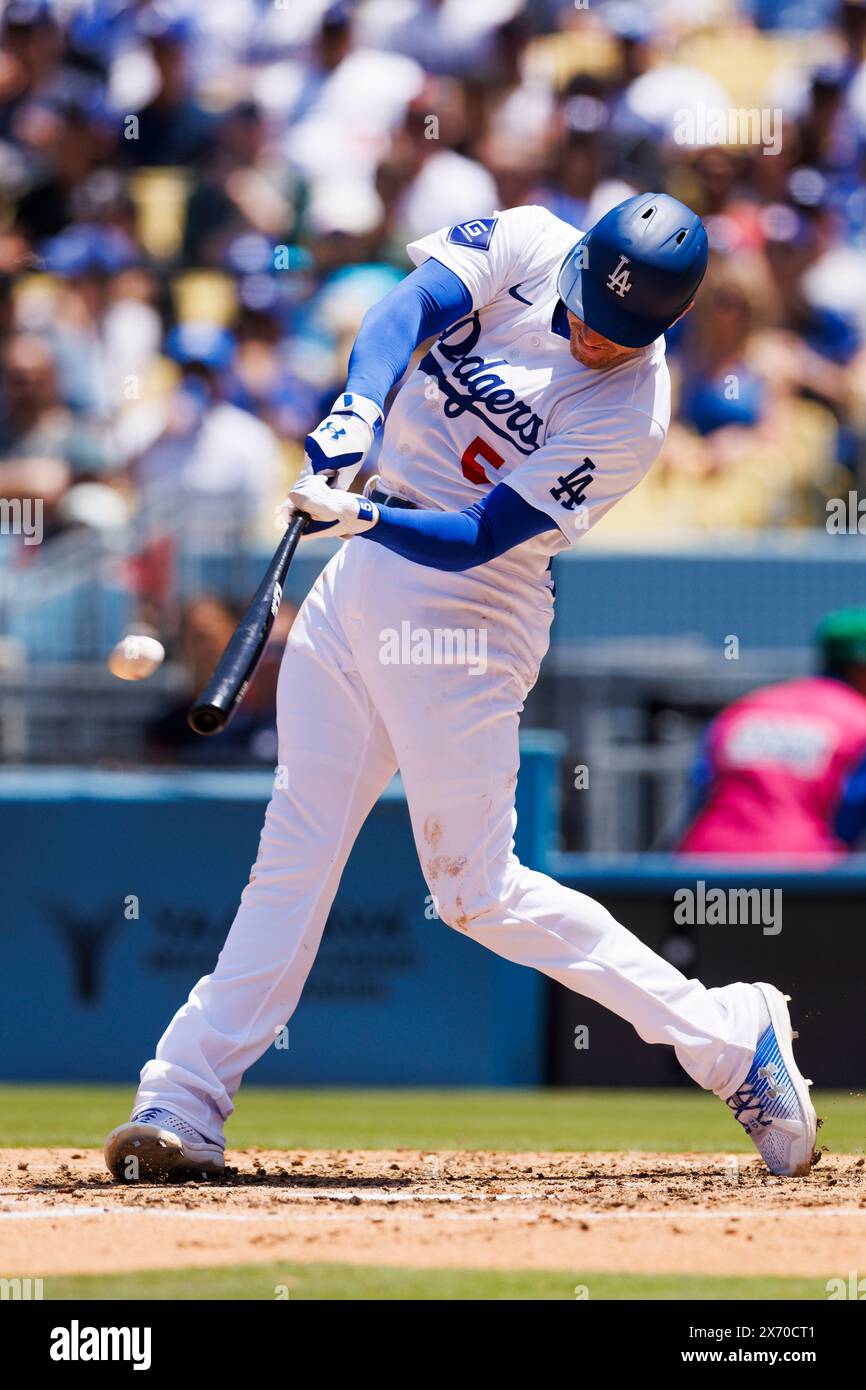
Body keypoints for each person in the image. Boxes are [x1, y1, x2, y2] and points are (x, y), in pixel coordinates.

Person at [104, 195, 817, 1184]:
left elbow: (482, 533)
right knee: (293, 855)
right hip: (360, 581)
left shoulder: (630, 412)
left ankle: (724, 1034)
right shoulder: (532, 241)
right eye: (580, 309)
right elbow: (410, 305)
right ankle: (183, 1097)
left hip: (466, 613)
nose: (584, 334)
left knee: (476, 892)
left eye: (612, 333)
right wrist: (356, 407)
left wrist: (356, 514)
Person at [678, 608, 866, 858]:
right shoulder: (859, 721)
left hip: (702, 867)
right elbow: (850, 815)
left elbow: (699, 791)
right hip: (801, 875)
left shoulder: (744, 709)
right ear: (859, 667)